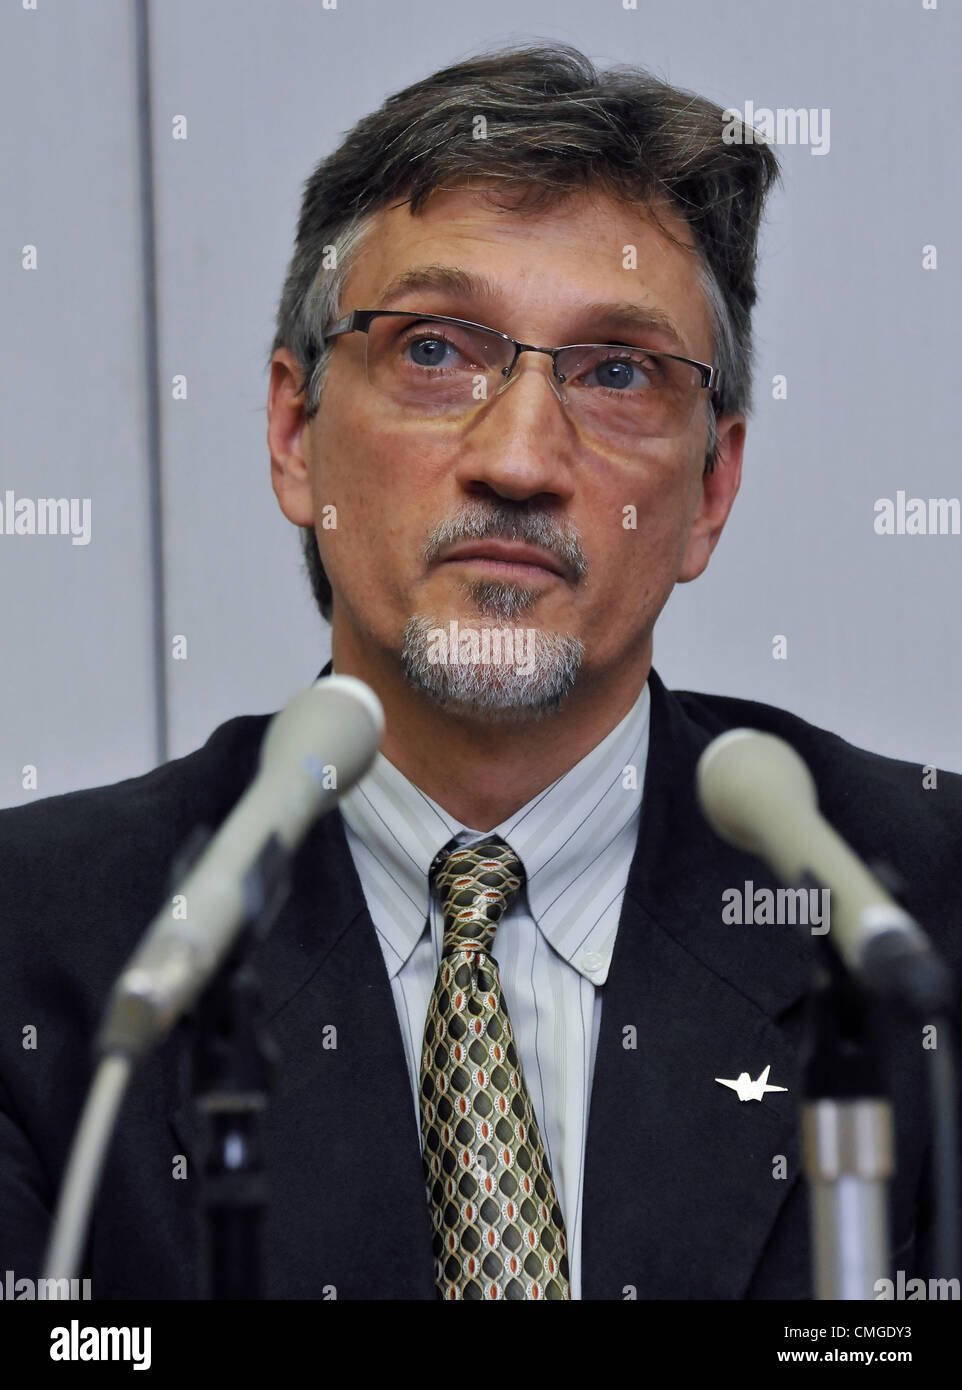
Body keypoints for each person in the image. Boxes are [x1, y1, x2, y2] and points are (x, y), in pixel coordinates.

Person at [1, 42, 959, 1302]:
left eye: (616, 371)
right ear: (295, 433)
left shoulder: (917, 914)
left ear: (709, 490)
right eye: (435, 351)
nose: (518, 456)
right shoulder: (37, 949)